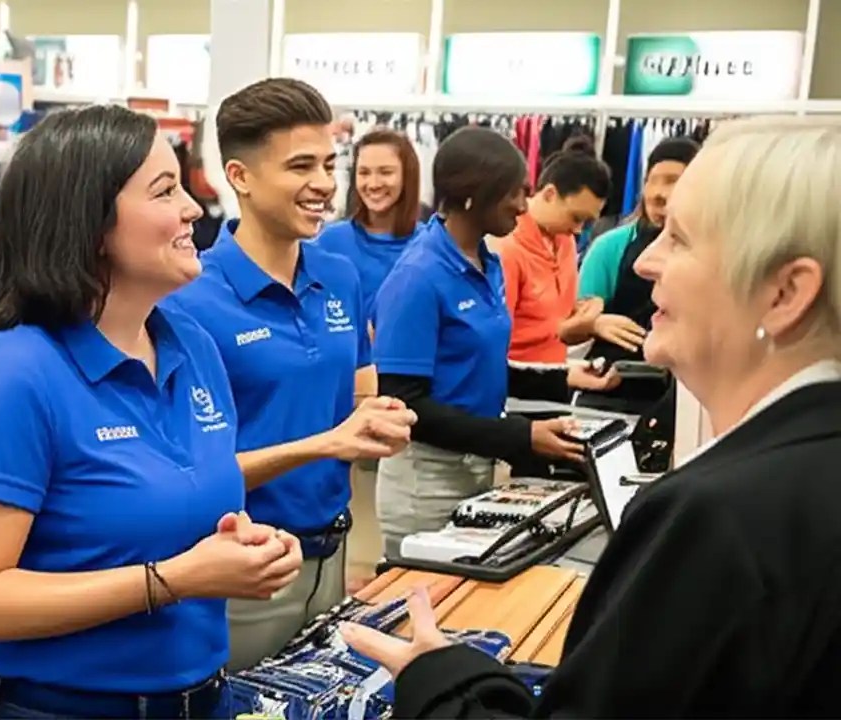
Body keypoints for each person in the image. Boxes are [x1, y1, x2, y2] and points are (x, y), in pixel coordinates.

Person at [343, 116, 841, 718]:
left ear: (786, 293)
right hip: (436, 476)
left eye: (678, 238)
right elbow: (412, 399)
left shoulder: (724, 518)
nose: (644, 262)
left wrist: (440, 683)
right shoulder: (422, 274)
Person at [0, 104, 305, 720]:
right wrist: (175, 579)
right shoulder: (14, 378)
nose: (192, 208)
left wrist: (246, 546)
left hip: (203, 698)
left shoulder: (191, 346)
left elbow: (179, 511)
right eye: (165, 191)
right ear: (91, 222)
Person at [165, 78, 416, 671]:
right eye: (301, 166)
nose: (325, 184)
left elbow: (360, 396)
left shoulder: (340, 276)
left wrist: (378, 422)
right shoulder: (188, 300)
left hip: (334, 556)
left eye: (331, 164)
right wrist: (326, 444)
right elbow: (186, 473)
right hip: (245, 572)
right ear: (241, 176)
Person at [372, 126, 584, 559]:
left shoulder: (487, 264)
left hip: (475, 467)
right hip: (425, 484)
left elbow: (478, 366)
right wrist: (520, 436)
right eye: (514, 193)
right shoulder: (418, 276)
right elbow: (405, 404)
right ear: (474, 194)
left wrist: (565, 382)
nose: (524, 206)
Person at [576, 138, 699, 411]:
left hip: (684, 398)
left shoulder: (712, 251)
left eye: (672, 180)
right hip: (609, 393)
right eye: (652, 180)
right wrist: (594, 324)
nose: (658, 193)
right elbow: (569, 329)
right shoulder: (610, 247)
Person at [497, 148, 620, 402]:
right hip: (514, 396)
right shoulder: (506, 246)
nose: (578, 229)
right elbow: (496, 340)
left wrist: (584, 313)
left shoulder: (564, 241)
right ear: (550, 194)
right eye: (576, 218)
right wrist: (574, 328)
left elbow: (543, 314)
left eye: (586, 222)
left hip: (551, 385)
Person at [314, 128, 422, 328]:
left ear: (407, 176)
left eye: (386, 172)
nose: (373, 184)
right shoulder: (329, 243)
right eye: (364, 173)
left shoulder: (429, 246)